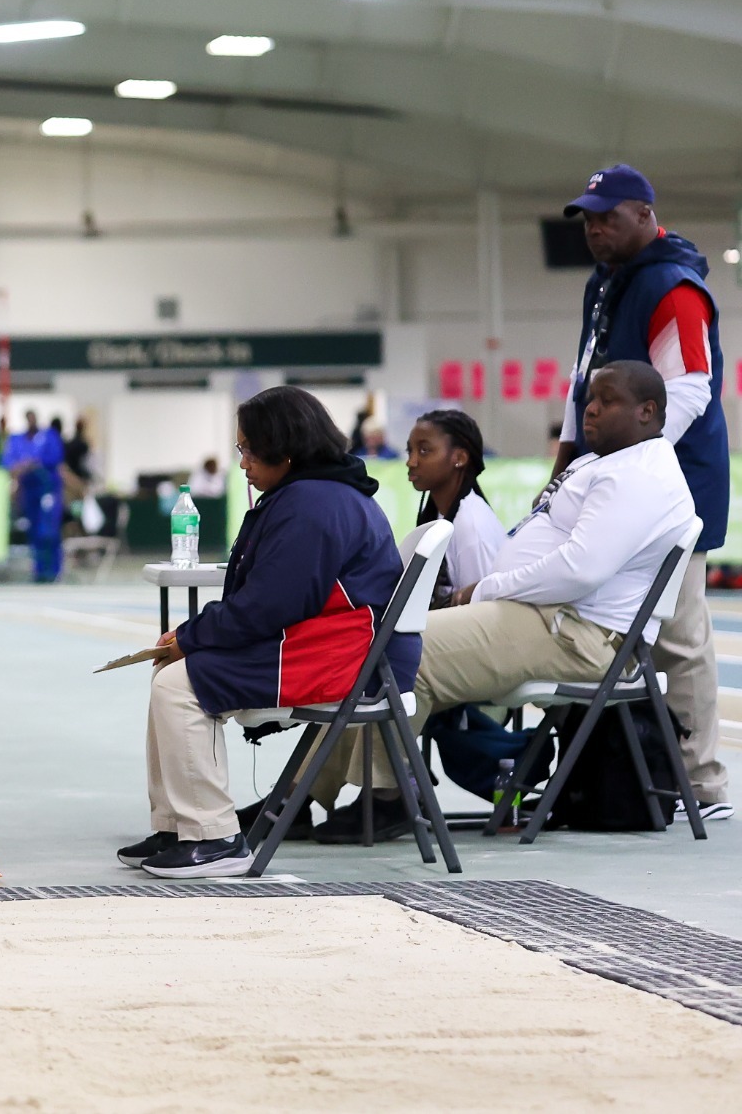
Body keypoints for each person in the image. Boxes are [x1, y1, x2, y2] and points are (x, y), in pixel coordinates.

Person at [313, 362, 696, 842]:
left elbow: (580, 570)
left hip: (578, 633)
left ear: (648, 411)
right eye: (590, 398)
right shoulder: (600, 463)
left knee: (402, 651)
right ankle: (305, 797)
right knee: (380, 643)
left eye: (607, 400)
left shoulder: (641, 476)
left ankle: (386, 798)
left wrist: (484, 589)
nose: (590, 409)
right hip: (546, 620)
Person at [118, 386, 412, 879]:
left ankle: (215, 838)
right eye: (241, 450)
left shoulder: (312, 504)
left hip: (348, 658)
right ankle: (178, 827)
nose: (244, 463)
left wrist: (193, 634)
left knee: (178, 683)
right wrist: (192, 638)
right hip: (341, 646)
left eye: (251, 450)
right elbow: (271, 601)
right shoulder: (316, 494)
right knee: (173, 674)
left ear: (287, 448)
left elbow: (269, 605)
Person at [555, 165, 730, 820]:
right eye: (589, 219)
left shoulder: (671, 286)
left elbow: (688, 387)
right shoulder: (604, 286)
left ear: (643, 214)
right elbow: (584, 383)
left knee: (678, 634)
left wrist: (634, 460)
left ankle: (702, 783)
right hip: (617, 481)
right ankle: (644, 774)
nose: (595, 228)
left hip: (672, 488)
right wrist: (567, 459)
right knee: (620, 625)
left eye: (607, 216)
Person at [405, 409, 502, 603]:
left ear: (459, 458)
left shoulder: (471, 524)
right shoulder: (440, 515)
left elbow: (484, 610)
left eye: (424, 451)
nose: (411, 461)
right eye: (410, 451)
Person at [3, 411, 65, 583]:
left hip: (48, 489)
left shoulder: (48, 437)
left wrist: (35, 463)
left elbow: (55, 458)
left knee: (49, 531)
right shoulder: (17, 439)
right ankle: (39, 571)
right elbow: (8, 461)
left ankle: (53, 570)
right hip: (29, 490)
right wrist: (19, 467)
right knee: (34, 531)